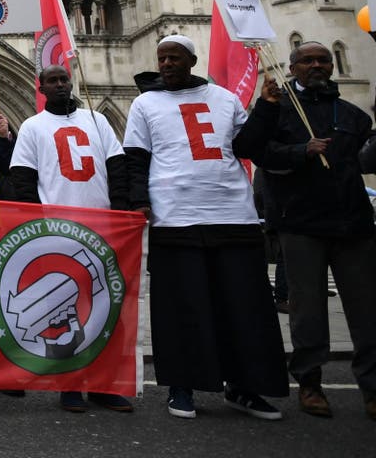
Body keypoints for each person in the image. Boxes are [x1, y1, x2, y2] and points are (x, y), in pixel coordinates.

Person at [123, 34, 287, 421]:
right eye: (161, 58)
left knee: (243, 306)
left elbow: (249, 147)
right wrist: (139, 201)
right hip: (175, 216)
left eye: (174, 58)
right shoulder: (145, 103)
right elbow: (135, 157)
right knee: (182, 307)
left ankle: (245, 388)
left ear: (191, 61)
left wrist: (266, 107)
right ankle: (182, 387)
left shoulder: (226, 99)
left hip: (232, 213)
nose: (166, 64)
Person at [234, 41, 376, 420]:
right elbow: (249, 149)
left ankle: (372, 387)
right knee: (308, 310)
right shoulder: (279, 113)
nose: (316, 65)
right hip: (301, 225)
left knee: (366, 311)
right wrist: (299, 148)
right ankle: (310, 383)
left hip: (353, 225)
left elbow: (364, 161)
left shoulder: (352, 116)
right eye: (307, 60)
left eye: (322, 60)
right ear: (292, 67)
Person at [9, 65, 133, 414]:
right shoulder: (33, 127)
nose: (61, 85)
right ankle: (70, 384)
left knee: (108, 308)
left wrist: (120, 213)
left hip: (102, 228)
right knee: (64, 310)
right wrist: (35, 227)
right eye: (53, 81)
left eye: (64, 79)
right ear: (42, 87)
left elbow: (118, 168)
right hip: (58, 231)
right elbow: (23, 179)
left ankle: (105, 385)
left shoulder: (98, 121)